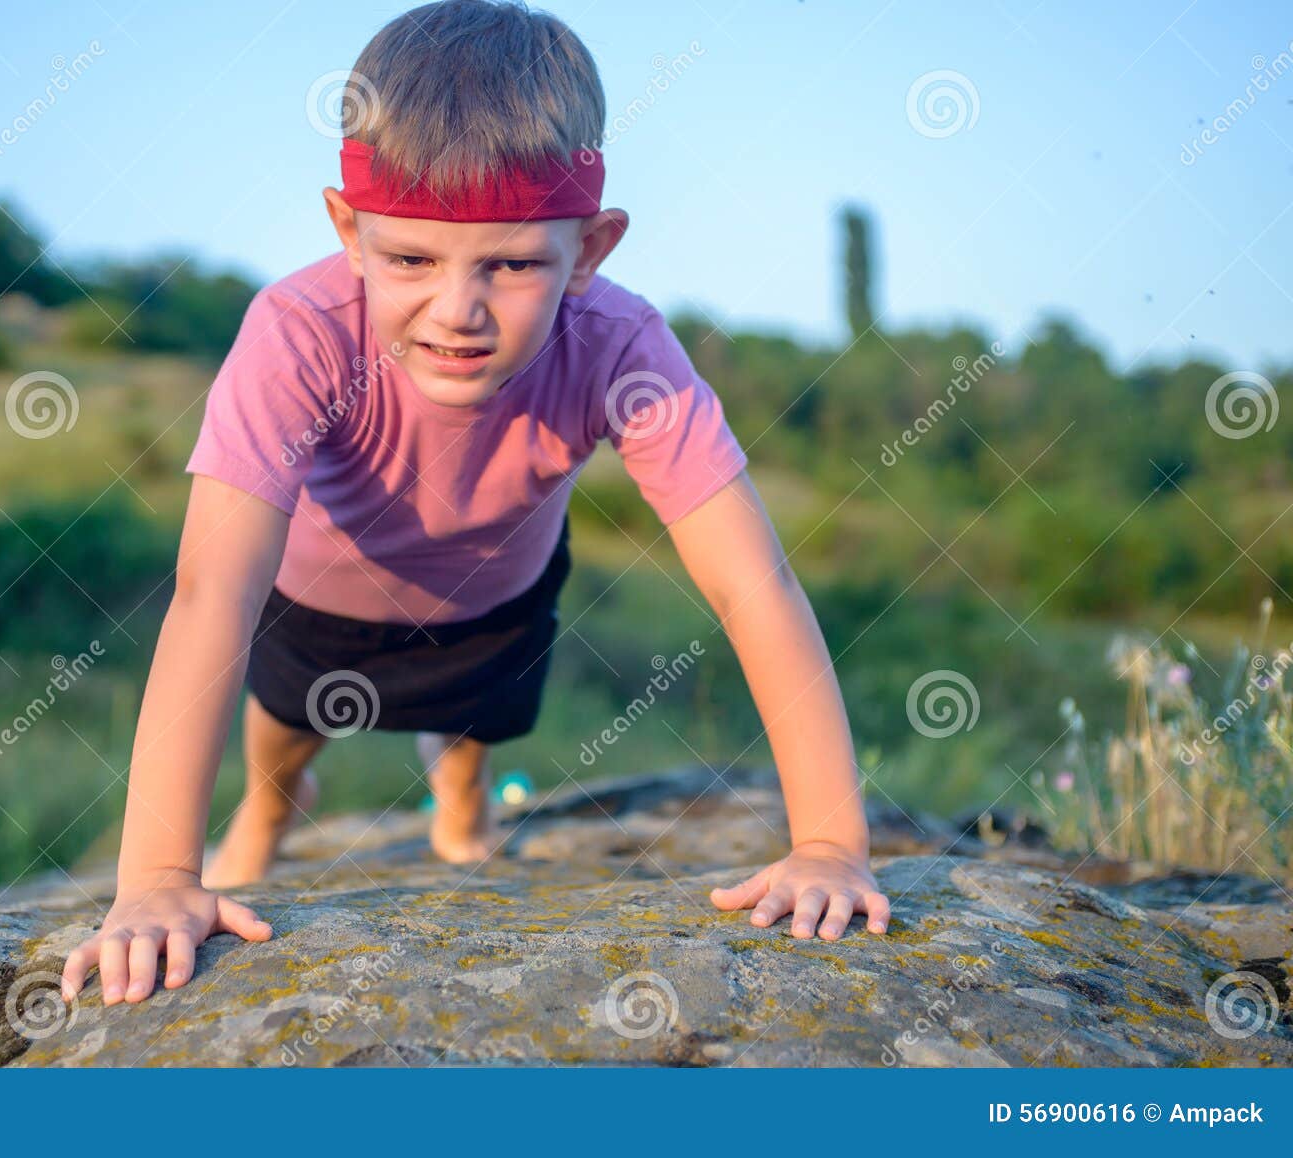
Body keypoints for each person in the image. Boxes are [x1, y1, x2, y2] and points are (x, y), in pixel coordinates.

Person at [62, 0, 890, 1009]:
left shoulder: (623, 350)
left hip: (497, 597)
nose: (458, 310)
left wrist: (829, 846)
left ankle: (459, 806)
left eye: (511, 264)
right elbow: (210, 596)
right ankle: (273, 814)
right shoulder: (297, 332)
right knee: (283, 728)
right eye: (410, 258)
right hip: (319, 598)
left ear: (587, 250)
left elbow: (752, 586)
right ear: (349, 229)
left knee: (474, 731)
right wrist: (155, 881)